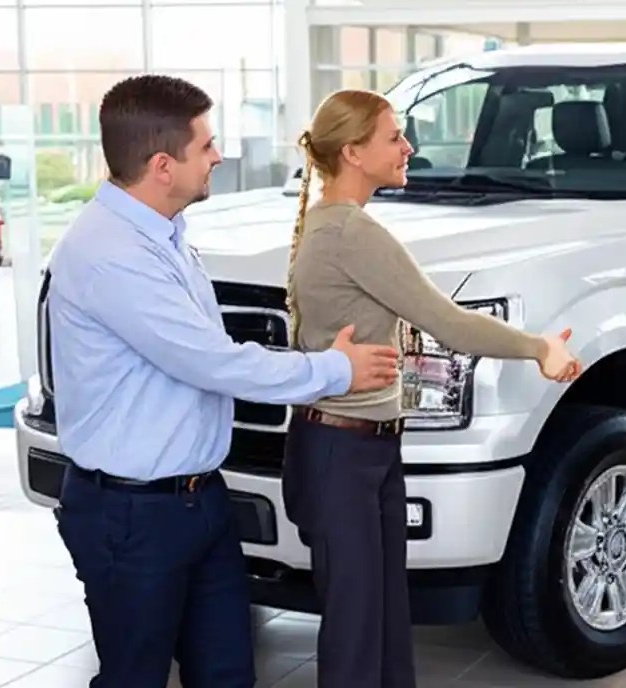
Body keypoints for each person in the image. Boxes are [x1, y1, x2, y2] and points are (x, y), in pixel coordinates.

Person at [46, 75, 401, 688]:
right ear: (163, 165)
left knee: (229, 673)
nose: (218, 156)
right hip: (131, 515)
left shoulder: (164, 233)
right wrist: (334, 369)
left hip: (196, 499)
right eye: (206, 146)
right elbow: (214, 362)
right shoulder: (111, 254)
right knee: (135, 676)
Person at [282, 88, 582, 688]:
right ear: (353, 153)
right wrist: (539, 347)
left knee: (382, 622)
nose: (408, 147)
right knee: (359, 634)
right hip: (344, 454)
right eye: (394, 137)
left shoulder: (332, 224)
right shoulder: (351, 233)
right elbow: (448, 321)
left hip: (357, 448)